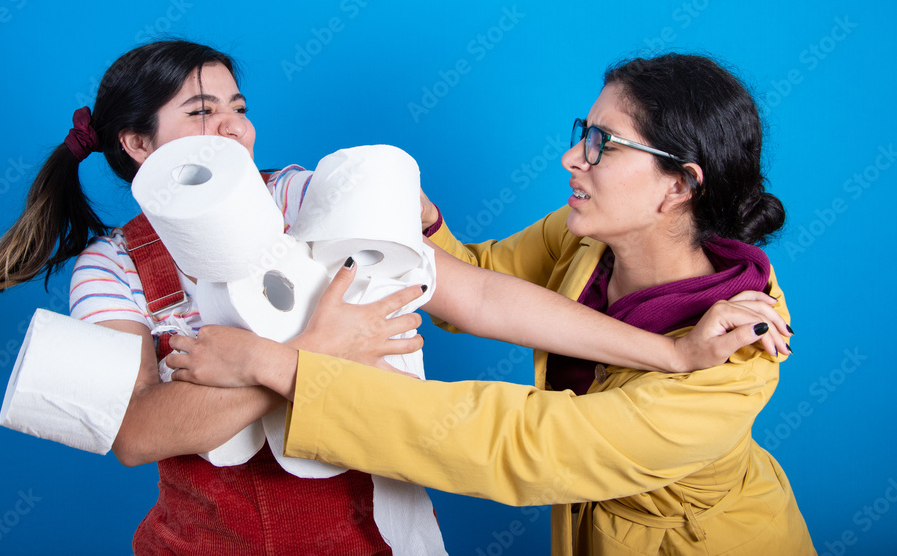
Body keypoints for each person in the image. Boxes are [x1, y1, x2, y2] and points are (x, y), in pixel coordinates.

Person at [164, 53, 814, 555]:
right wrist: (414, 226)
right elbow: (480, 282)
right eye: (582, 133)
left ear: (679, 184)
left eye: (602, 145)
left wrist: (281, 365)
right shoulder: (586, 238)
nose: (570, 158)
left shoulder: (738, 358)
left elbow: (512, 441)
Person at [0, 40, 437, 554]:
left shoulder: (298, 197)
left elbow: (454, 277)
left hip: (371, 537)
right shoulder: (112, 266)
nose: (235, 126)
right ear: (139, 145)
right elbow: (136, 433)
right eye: (202, 112)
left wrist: (414, 213)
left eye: (238, 107)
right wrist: (311, 354)